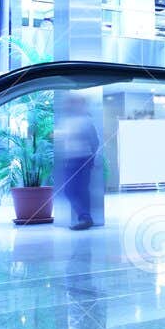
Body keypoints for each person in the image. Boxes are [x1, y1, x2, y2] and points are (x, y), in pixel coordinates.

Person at [54, 94, 99, 231]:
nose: (70, 106)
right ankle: (86, 218)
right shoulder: (69, 121)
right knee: (75, 190)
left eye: (75, 103)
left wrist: (91, 159)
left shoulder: (85, 120)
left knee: (74, 190)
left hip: (81, 160)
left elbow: (94, 142)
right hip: (72, 160)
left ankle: (85, 218)